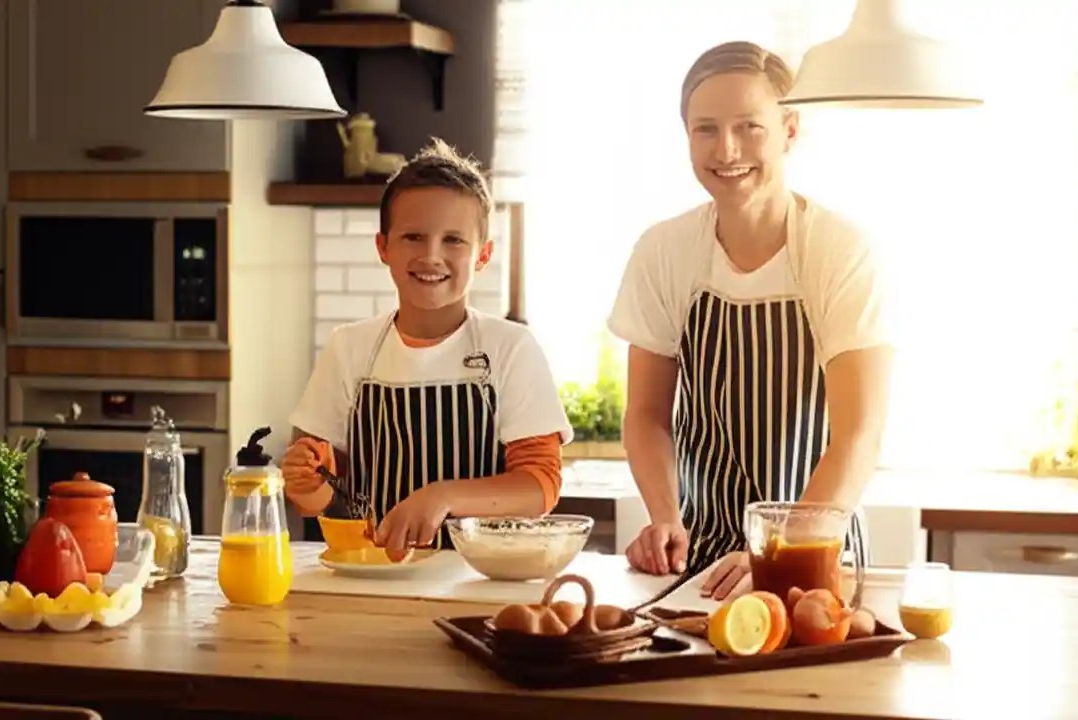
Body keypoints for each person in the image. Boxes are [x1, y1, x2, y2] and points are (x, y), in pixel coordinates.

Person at [608, 41, 894, 600]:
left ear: (789, 129)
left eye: (749, 126)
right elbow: (646, 415)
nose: (727, 148)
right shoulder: (664, 251)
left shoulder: (839, 251)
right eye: (705, 129)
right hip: (701, 563)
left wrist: (780, 549)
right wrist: (666, 518)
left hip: (814, 560)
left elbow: (859, 435)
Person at [283, 138, 573, 561]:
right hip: (375, 574)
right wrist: (303, 482)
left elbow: (539, 488)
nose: (431, 256)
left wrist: (442, 497)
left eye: (453, 240)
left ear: (483, 255)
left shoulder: (510, 348)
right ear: (383, 247)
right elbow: (321, 497)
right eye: (413, 237)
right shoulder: (350, 348)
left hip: (482, 580)